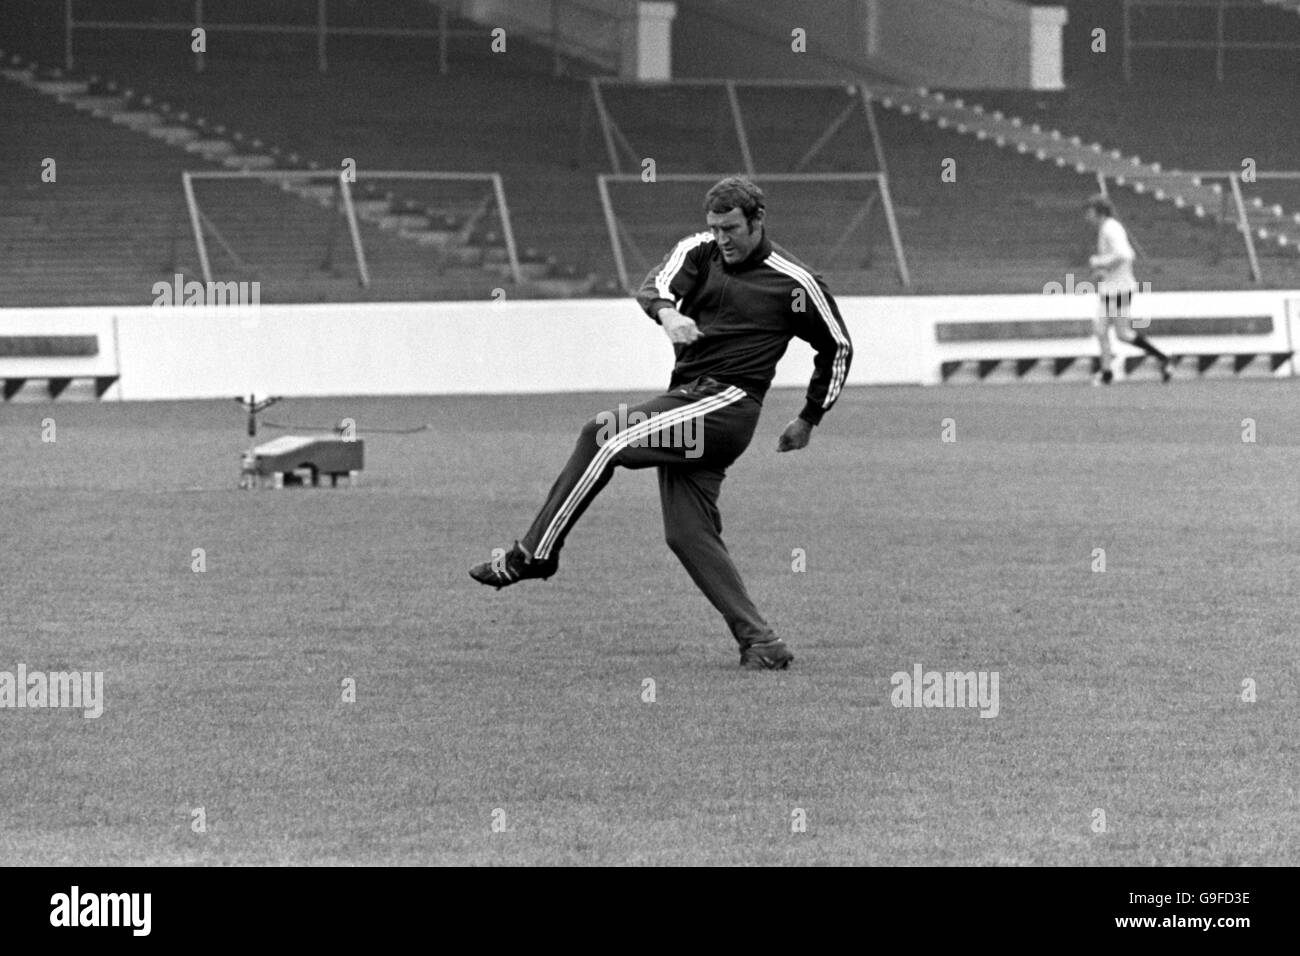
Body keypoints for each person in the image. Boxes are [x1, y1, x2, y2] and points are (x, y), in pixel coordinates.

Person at [469, 176, 853, 670]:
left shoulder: (795, 283)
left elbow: (836, 346)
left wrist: (808, 417)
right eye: (715, 228)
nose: (722, 239)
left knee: (602, 434)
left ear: (758, 221)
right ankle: (761, 643)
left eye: (732, 228)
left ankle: (534, 554)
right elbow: (655, 285)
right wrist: (668, 315)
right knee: (688, 534)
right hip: (689, 405)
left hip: (726, 410)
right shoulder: (700, 251)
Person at [1086, 194, 1173, 385]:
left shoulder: (1111, 228)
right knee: (1101, 329)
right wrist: (1103, 270)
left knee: (1121, 333)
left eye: (1090, 212)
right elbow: (1118, 258)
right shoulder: (1106, 228)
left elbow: (1125, 255)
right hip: (1111, 288)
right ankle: (1107, 373)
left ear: (1099, 212)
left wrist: (1099, 262)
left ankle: (1162, 357)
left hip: (1119, 290)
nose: (1087, 216)